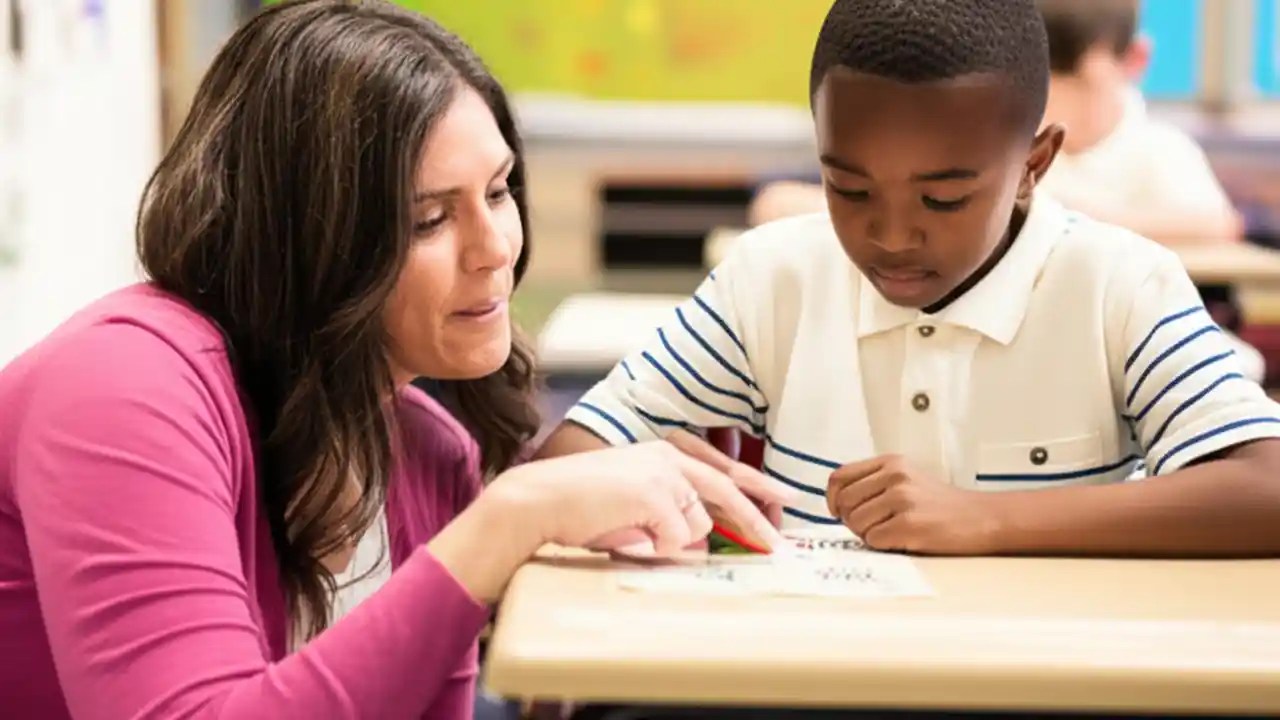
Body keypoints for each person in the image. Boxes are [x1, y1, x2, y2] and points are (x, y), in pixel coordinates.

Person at [0, 2, 792, 718]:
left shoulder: (424, 446)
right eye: (428, 219)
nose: (495, 252)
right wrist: (510, 520)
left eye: (499, 190)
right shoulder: (122, 389)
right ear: (303, 237)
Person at [538, 0, 1280, 557]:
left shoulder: (1121, 284)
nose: (891, 237)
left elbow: (1267, 487)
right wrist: (647, 468)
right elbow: (569, 452)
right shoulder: (774, 276)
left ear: (1034, 163)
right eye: (849, 190)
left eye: (945, 199)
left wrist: (981, 519)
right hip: (808, 688)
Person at [744, 0, 1266, 383]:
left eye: (1075, 80)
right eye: (852, 189)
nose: (1054, 98)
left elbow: (1218, 224)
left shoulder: (1156, 150)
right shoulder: (971, 133)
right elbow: (777, 200)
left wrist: (1063, 215)